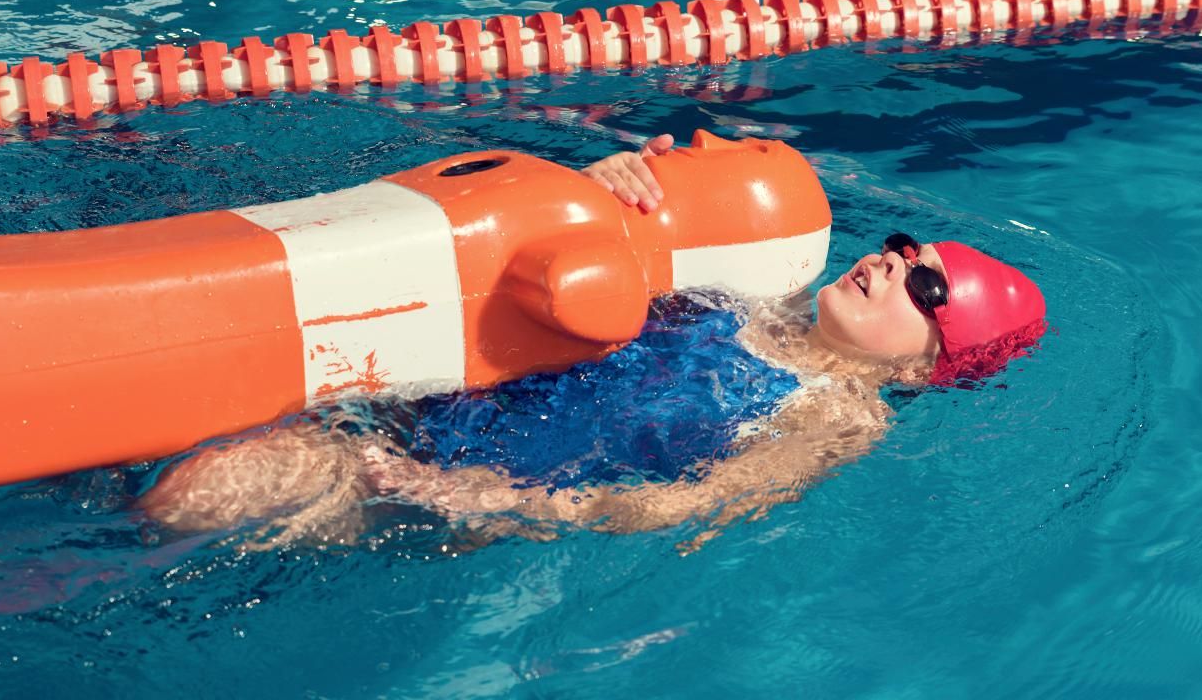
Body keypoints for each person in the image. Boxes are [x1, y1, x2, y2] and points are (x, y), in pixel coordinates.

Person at [136, 134, 1047, 549]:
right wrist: (604, 191)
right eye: (898, 250)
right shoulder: (754, 288)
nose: (888, 265)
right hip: (411, 395)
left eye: (925, 284)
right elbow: (549, 268)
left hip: (429, 490)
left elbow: (698, 507)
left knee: (186, 500)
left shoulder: (842, 417)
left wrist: (466, 494)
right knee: (173, 455)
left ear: (935, 362)